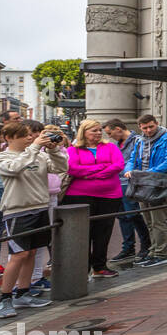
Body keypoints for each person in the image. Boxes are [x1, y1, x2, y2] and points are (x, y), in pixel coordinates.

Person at [0, 121, 63, 318]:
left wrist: (53, 150)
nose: (31, 138)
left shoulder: (39, 154)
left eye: (31, 135)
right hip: (17, 211)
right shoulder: (3, 157)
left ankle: (23, 293)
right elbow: (14, 169)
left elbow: (61, 167)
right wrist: (35, 147)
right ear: (9, 137)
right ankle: (5, 298)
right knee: (18, 255)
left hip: (40, 208)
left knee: (32, 253)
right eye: (25, 135)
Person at [63, 118, 125, 279]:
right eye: (94, 130)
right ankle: (82, 268)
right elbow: (73, 169)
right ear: (84, 132)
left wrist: (94, 174)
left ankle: (100, 267)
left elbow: (118, 165)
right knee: (83, 233)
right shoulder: (73, 149)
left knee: (103, 232)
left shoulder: (110, 147)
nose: (98, 133)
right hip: (79, 196)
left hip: (110, 195)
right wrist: (101, 168)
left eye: (99, 130)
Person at [123, 114, 167, 268]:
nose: (148, 130)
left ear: (157, 124)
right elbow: (132, 158)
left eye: (151, 127)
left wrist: (149, 173)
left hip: (160, 185)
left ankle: (161, 254)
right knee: (149, 221)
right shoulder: (140, 141)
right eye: (145, 128)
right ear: (140, 127)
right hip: (143, 184)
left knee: (158, 221)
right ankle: (153, 251)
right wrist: (128, 170)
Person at [104, 119, 151, 265]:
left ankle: (146, 245)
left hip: (130, 183)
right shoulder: (117, 145)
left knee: (133, 214)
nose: (110, 136)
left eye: (110, 133)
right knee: (122, 216)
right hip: (117, 183)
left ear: (118, 129)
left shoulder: (137, 140)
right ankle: (128, 247)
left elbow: (141, 160)